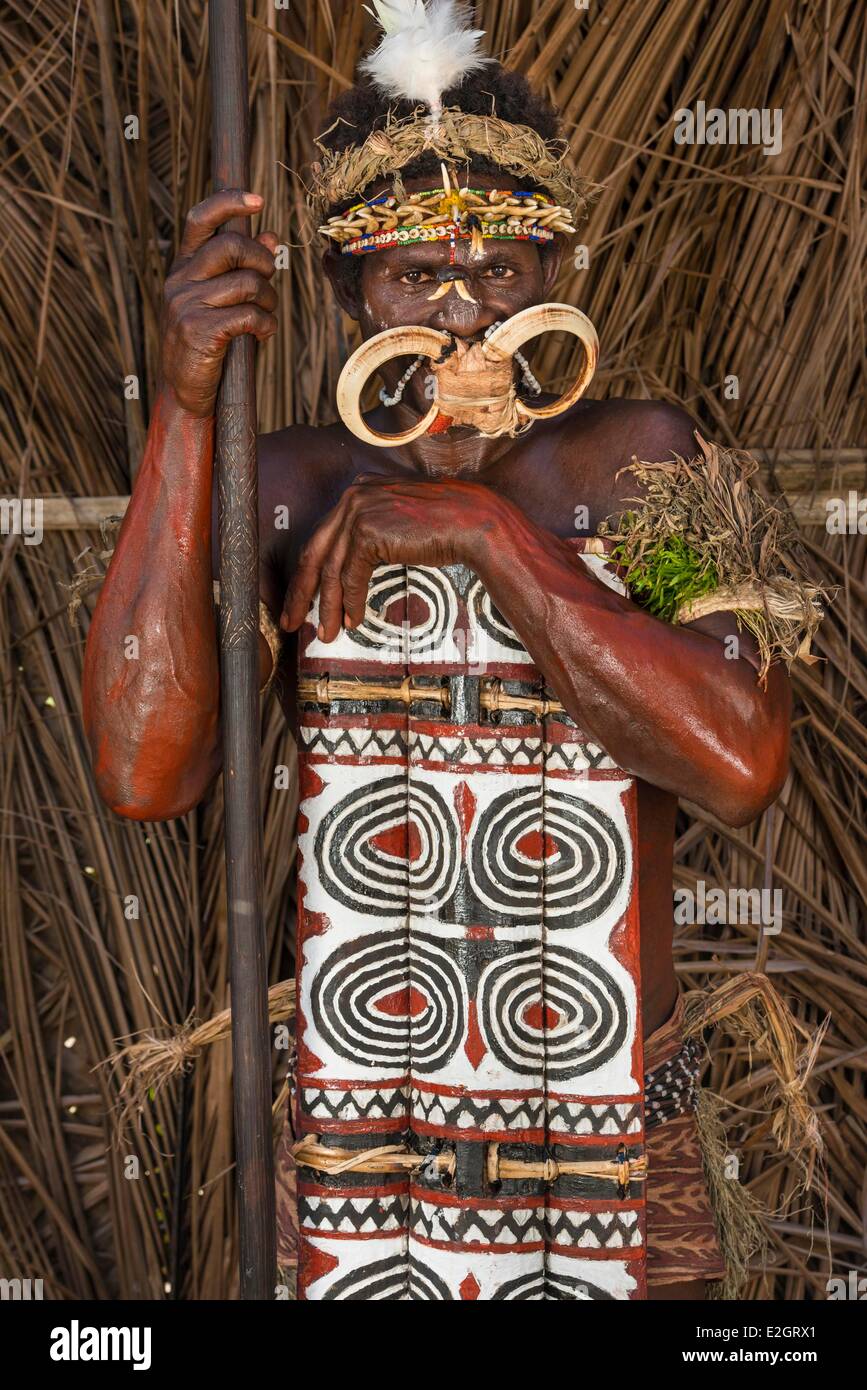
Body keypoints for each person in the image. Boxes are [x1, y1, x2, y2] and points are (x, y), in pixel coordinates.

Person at [84, 2, 812, 1300]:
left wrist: (484, 531)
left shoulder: (641, 472)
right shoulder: (292, 486)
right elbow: (147, 768)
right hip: (366, 1145)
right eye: (419, 274)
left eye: (502, 269)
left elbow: (743, 753)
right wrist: (187, 406)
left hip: (618, 1150)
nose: (464, 313)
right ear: (352, 290)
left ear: (556, 275)